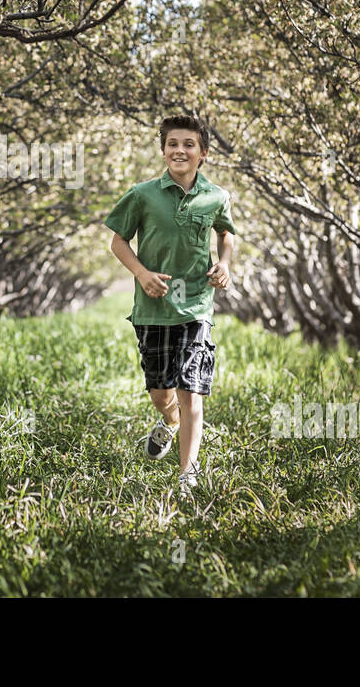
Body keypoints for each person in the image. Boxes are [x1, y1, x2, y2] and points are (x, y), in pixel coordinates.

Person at [103, 115, 236, 496]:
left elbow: (226, 234)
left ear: (203, 154)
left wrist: (224, 264)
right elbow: (118, 242)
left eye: (189, 144)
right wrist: (142, 273)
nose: (180, 150)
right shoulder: (142, 194)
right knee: (162, 393)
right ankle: (169, 422)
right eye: (173, 143)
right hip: (153, 307)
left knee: (190, 389)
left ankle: (187, 475)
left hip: (196, 306)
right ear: (163, 151)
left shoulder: (216, 196)